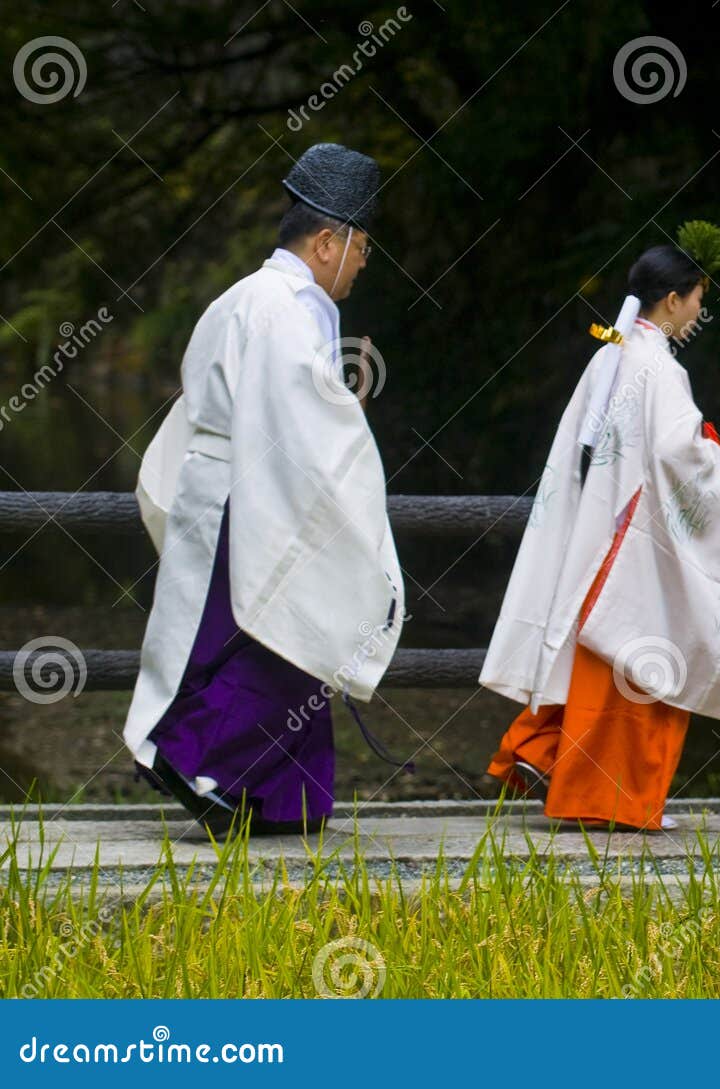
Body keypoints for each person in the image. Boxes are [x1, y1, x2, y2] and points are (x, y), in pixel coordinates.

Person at [124, 143, 406, 836]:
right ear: (326, 241)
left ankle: (279, 796)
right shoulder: (284, 306)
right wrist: (347, 426)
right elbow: (296, 414)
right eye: (361, 247)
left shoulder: (248, 295)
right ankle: (198, 764)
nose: (365, 263)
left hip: (219, 481)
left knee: (257, 635)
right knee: (268, 635)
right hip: (249, 492)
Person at [481, 221, 720, 832]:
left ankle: (551, 758)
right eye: (699, 297)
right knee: (639, 656)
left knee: (592, 649)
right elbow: (684, 458)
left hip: (594, 531)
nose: (699, 309)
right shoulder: (659, 368)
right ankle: (609, 795)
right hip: (632, 541)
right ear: (675, 299)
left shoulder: (610, 354)